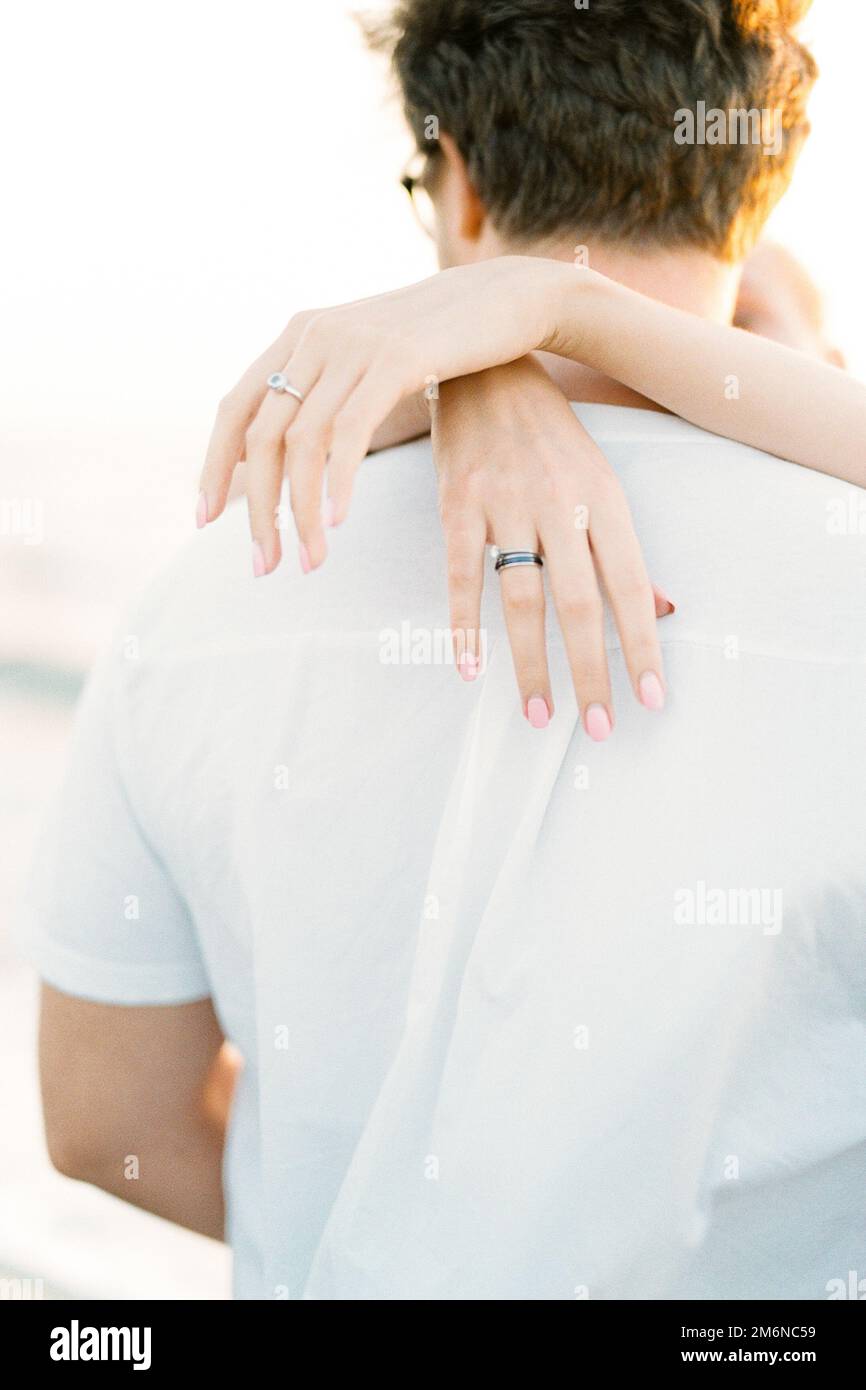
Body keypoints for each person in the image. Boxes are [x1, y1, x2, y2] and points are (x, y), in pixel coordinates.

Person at [22, 0, 866, 1299]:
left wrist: (356, 1199)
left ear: (454, 179)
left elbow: (106, 1125)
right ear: (753, 189)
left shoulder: (203, 602)